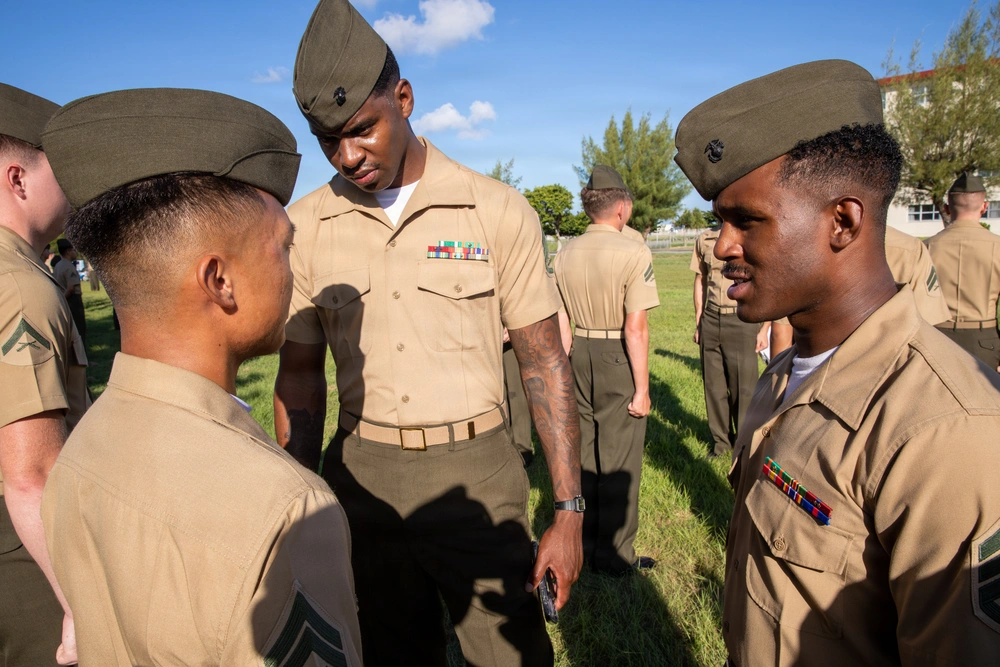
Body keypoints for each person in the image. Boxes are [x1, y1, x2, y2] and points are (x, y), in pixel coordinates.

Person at [274, 1, 582, 665]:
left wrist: (569, 508)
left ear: (405, 99)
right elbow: (298, 375)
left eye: (362, 129)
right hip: (362, 475)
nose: (348, 155)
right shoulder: (304, 227)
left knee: (510, 653)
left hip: (480, 473)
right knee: (389, 650)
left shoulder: (494, 209)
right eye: (328, 140)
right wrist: (298, 504)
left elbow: (544, 361)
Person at [674, 59, 1000, 665]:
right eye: (720, 220)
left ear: (843, 222)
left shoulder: (948, 431)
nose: (722, 246)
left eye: (746, 219)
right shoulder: (784, 373)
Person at [39, 88, 362, 665]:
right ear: (220, 281)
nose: (292, 272)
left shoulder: (79, 450)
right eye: (282, 249)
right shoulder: (285, 512)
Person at [0, 82, 86, 667]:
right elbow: (31, 473)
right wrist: (80, 601)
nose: (77, 188)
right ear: (18, 180)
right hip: (24, 549)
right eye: (64, 170)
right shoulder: (22, 287)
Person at [551, 165, 660, 574]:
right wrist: (642, 389)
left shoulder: (564, 253)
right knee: (620, 459)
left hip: (578, 351)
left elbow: (561, 320)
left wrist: (566, 366)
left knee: (585, 455)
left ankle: (583, 541)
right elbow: (636, 328)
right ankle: (615, 555)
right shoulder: (634, 251)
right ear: (622, 208)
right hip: (617, 353)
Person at [691, 227, 769, 457]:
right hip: (711, 318)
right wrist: (699, 320)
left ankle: (744, 445)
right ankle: (721, 443)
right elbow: (700, 279)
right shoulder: (705, 239)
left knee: (744, 389)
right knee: (713, 387)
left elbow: (765, 281)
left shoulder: (751, 236)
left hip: (742, 319)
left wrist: (764, 328)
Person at [926, 172, 1000, 370]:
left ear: (947, 208)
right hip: (984, 341)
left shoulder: (925, 248)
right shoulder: (998, 247)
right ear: (984, 207)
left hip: (935, 338)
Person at [52, 238, 84, 344]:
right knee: (79, 328)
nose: (75, 252)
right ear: (68, 252)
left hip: (62, 297)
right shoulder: (69, 266)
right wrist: (63, 300)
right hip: (72, 300)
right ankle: (83, 359)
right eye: (74, 250)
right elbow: (71, 287)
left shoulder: (58, 265)